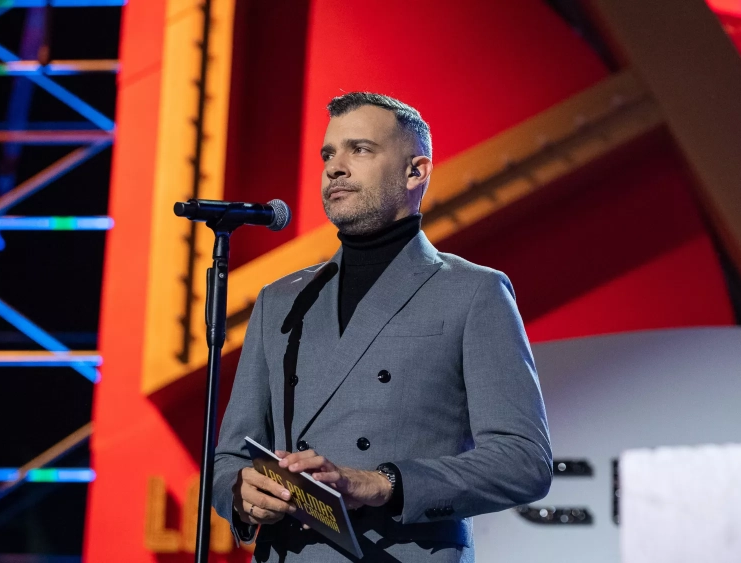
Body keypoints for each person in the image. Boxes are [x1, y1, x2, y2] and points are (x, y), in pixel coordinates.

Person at [212, 92, 552, 562]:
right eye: (328, 154)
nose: (335, 167)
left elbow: (524, 461)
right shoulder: (280, 301)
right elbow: (229, 457)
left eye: (360, 149)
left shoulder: (475, 292)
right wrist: (242, 494)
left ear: (416, 171)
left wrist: (380, 483)